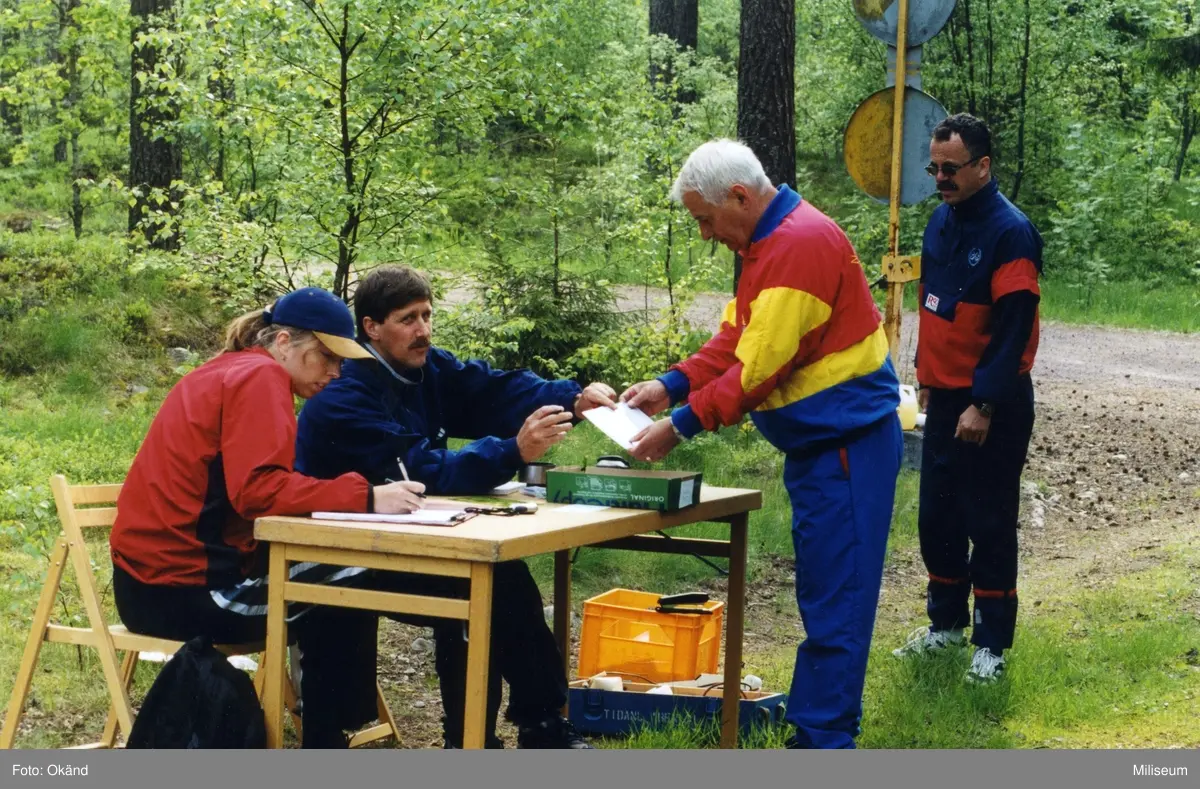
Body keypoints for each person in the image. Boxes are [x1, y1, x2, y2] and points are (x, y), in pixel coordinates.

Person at [620, 139, 902, 749]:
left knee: (838, 603)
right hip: (825, 447)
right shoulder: (767, 244)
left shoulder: (797, 246)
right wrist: (671, 384)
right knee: (826, 594)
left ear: (739, 197)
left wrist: (681, 424)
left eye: (705, 219)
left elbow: (756, 372)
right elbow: (737, 340)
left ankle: (823, 743)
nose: (704, 234)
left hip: (848, 446)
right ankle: (817, 735)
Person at [296, 265, 616, 749]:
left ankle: (526, 728)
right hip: (337, 553)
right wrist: (513, 451)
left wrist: (572, 399)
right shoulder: (345, 394)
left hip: (404, 537)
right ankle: (502, 736)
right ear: (371, 328)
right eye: (408, 319)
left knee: (496, 577)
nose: (423, 330)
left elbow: (494, 388)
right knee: (490, 582)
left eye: (427, 315)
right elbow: (424, 470)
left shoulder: (427, 368)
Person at [109, 287, 429, 748]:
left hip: (147, 587)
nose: (336, 372)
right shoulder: (260, 377)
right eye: (327, 357)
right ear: (283, 343)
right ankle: (326, 738)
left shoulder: (227, 369)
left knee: (328, 576)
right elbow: (258, 493)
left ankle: (327, 731)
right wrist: (366, 496)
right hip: (188, 595)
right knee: (350, 574)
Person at [892, 113, 1042, 684]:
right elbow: (934, 305)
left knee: (990, 520)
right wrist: (927, 378)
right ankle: (946, 628)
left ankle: (992, 646)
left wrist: (985, 403)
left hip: (993, 406)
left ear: (983, 166)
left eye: (951, 168)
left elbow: (1014, 329)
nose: (940, 178)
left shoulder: (1012, 233)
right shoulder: (939, 220)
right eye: (934, 168)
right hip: (946, 398)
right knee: (939, 517)